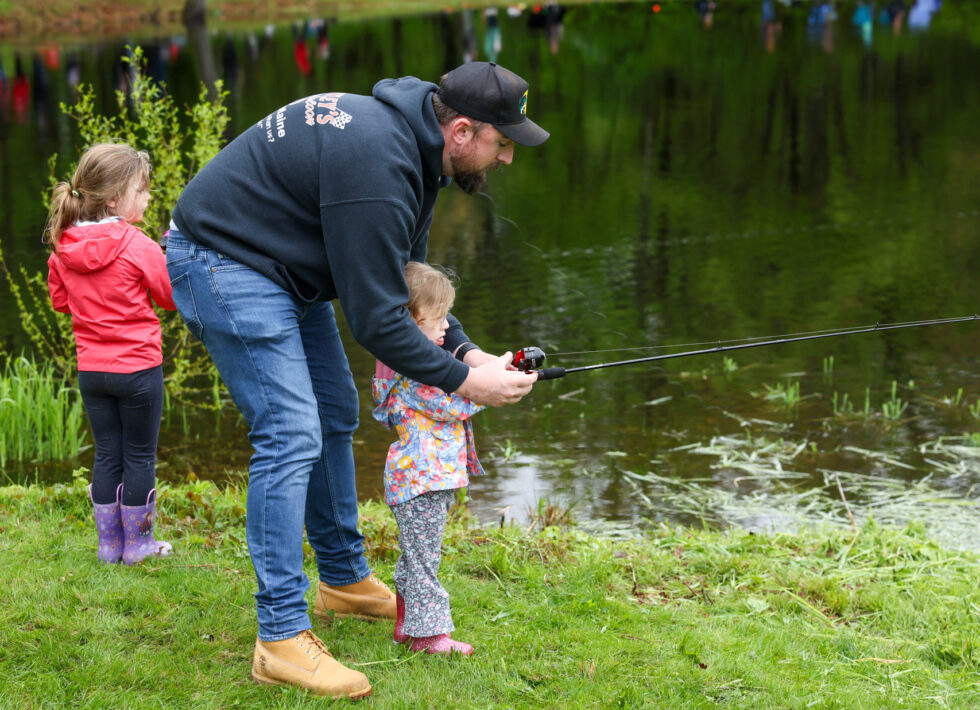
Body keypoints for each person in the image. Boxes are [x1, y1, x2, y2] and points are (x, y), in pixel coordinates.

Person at [165, 61, 547, 698]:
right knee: (290, 432)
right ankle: (280, 639)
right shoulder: (380, 164)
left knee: (334, 409)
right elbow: (376, 321)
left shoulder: (415, 154)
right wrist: (463, 383)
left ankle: (341, 579)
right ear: (460, 131)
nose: (505, 157)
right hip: (224, 259)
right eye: (501, 142)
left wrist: (473, 353)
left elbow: (409, 287)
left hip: (283, 267)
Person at [46, 143, 175, 566]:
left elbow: (60, 302)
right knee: (138, 454)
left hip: (92, 371)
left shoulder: (63, 246)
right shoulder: (139, 246)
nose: (148, 196)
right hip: (138, 369)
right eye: (142, 189)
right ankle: (137, 545)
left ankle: (108, 547)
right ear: (116, 198)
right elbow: (169, 298)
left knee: (106, 453)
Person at [373, 262, 485, 656]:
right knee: (424, 561)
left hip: (426, 479)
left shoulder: (412, 366)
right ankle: (429, 636)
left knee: (418, 555)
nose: (445, 329)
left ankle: (407, 625)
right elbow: (458, 404)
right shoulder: (414, 374)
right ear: (409, 321)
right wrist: (494, 380)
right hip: (421, 481)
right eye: (437, 320)